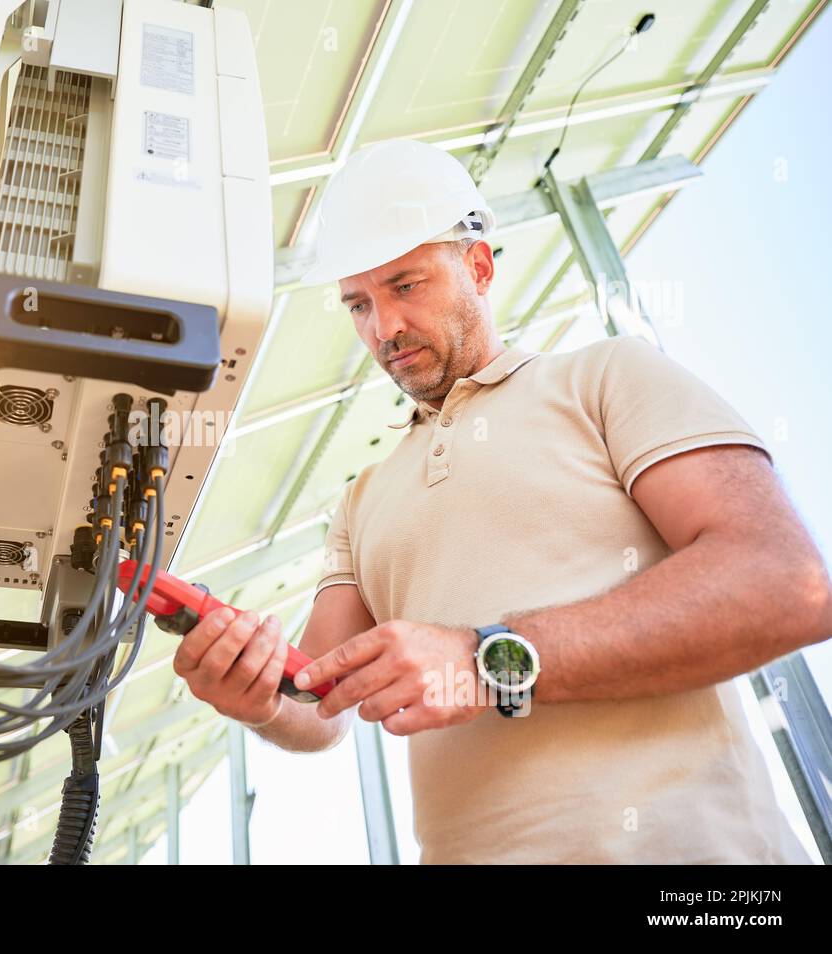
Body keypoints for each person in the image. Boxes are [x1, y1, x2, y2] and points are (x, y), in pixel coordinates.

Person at [171, 138, 830, 863]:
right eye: (358, 304)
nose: (383, 328)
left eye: (406, 285)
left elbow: (784, 582)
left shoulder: (605, 377)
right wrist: (260, 694)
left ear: (478, 267)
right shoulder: (362, 500)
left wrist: (487, 660)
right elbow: (322, 699)